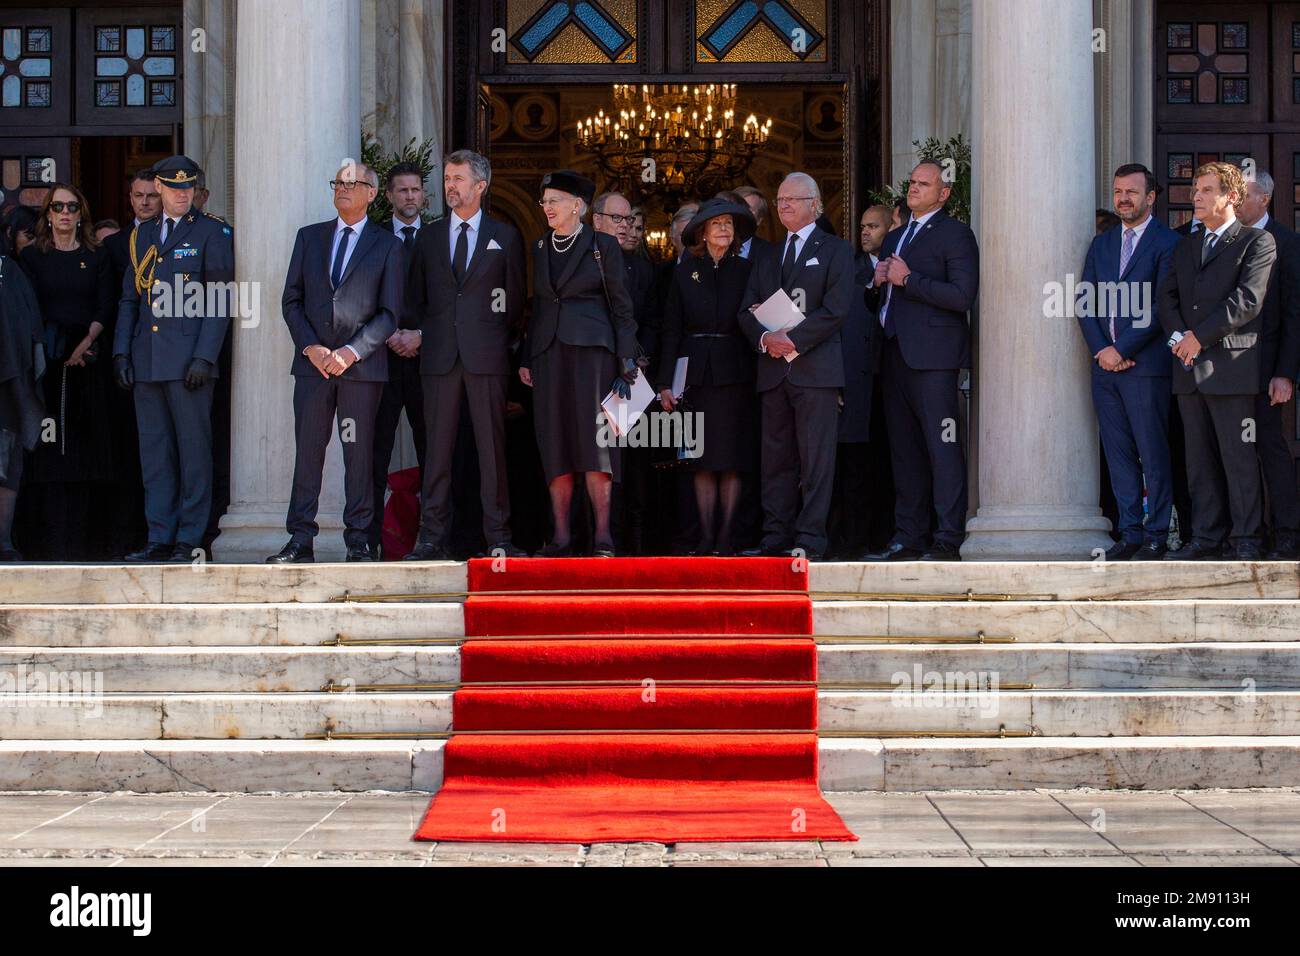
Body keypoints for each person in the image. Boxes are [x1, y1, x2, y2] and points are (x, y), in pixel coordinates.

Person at [270, 161, 402, 563]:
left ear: (371, 194)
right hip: (313, 368)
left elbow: (389, 314)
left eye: (352, 183)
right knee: (308, 452)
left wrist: (351, 352)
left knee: (358, 454)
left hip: (360, 372)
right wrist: (311, 347)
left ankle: (359, 540)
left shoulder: (388, 245)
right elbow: (291, 300)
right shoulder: (309, 238)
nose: (343, 189)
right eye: (338, 183)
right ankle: (300, 540)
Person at [404, 149, 527, 561]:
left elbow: (515, 303)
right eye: (447, 179)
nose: (450, 186)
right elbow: (415, 298)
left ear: (480, 185)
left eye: (458, 179)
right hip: (439, 359)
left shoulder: (505, 236)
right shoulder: (429, 236)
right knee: (436, 450)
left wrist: (492, 340)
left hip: (486, 359)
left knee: (492, 450)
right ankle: (430, 537)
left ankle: (499, 535)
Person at [113, 156, 234, 563]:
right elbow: (131, 300)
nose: (182, 194)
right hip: (147, 360)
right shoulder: (142, 235)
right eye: (173, 187)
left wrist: (204, 356)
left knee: (193, 453)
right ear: (159, 188)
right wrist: (121, 351)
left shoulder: (212, 232)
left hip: (189, 365)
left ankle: (189, 537)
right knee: (156, 455)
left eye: (188, 187)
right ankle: (159, 536)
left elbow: (220, 301)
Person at [1158, 162, 1276, 561]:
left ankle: (1246, 539)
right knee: (1199, 462)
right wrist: (1179, 338)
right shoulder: (1185, 245)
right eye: (1195, 189)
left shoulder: (1256, 243)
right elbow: (1167, 298)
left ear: (1231, 197)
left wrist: (1197, 338)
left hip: (1231, 371)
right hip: (1188, 371)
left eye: (1207, 190)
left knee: (1238, 459)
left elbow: (1246, 301)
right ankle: (1206, 538)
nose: (1197, 197)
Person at [865, 160, 980, 562]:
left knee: (942, 448)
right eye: (911, 182)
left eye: (923, 183)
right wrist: (877, 282)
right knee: (905, 451)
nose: (913, 188)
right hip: (894, 354)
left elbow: (962, 296)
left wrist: (909, 281)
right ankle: (907, 536)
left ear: (943, 193)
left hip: (934, 362)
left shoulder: (956, 234)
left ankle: (947, 536)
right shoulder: (895, 238)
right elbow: (884, 292)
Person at [519, 169, 637, 557]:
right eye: (544, 202)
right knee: (555, 443)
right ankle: (561, 537)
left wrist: (627, 363)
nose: (547, 208)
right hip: (549, 354)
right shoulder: (539, 246)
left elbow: (621, 306)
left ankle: (603, 536)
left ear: (577, 206)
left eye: (554, 201)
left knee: (596, 446)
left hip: (593, 355)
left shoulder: (603, 245)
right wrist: (526, 356)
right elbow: (536, 307)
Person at [737, 171, 855, 560]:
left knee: (816, 460)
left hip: (816, 372)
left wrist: (795, 339)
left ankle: (810, 540)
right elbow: (747, 308)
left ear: (814, 204)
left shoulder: (836, 249)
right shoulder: (768, 255)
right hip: (773, 372)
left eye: (791, 199)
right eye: (780, 199)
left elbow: (836, 310)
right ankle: (775, 537)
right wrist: (764, 337)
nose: (783, 205)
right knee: (776, 461)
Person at [1077, 164, 1179, 561]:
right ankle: (1130, 532)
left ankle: (1157, 534)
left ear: (1150, 197)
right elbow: (1085, 302)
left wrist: (1124, 349)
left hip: (1146, 367)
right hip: (1105, 370)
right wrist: (1102, 349)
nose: (1123, 198)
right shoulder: (1101, 244)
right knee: (1118, 453)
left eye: (1132, 192)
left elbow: (1161, 306)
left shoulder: (1168, 242)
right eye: (1118, 191)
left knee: (1153, 453)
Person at [18, 184, 117, 560]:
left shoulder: (97, 256)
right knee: (49, 450)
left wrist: (87, 341)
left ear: (81, 214)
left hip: (88, 360)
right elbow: (27, 308)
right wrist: (52, 346)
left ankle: (89, 542)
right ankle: (48, 542)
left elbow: (105, 304)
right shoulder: (33, 258)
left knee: (89, 448)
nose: (64, 213)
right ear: (47, 213)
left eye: (71, 207)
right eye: (57, 206)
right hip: (47, 359)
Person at [656, 198, 756, 555]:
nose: (724, 229)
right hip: (693, 376)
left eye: (729, 223)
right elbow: (671, 329)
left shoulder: (747, 271)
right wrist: (665, 383)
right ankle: (705, 537)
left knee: (730, 459)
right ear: (702, 231)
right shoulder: (684, 272)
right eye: (717, 224)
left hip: (735, 373)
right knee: (698, 460)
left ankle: (727, 539)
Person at [1237, 170, 1300, 559]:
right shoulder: (1228, 241)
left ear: (1265, 198)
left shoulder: (1289, 243)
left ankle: (1288, 531)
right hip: (1228, 373)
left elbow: (1295, 314)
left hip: (1267, 370)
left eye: (1242, 195)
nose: (1236, 202)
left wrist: (1285, 373)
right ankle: (1243, 534)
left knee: (1271, 448)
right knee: (1233, 452)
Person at [368, 161, 429, 557]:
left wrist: (421, 336)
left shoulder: (440, 238)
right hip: (382, 360)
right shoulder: (373, 239)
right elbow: (363, 296)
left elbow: (446, 301)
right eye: (402, 190)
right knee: (374, 451)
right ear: (388, 196)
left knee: (433, 451)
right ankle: (369, 540)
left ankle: (433, 538)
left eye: (415, 190)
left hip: (427, 363)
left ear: (424, 195)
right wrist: (388, 334)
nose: (409, 196)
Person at [102, 168, 162, 557]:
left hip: (166, 362)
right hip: (126, 362)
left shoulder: (176, 236)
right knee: (130, 455)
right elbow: (115, 304)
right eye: (137, 196)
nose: (143, 202)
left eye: (150, 196)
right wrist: (117, 352)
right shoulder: (116, 246)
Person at [829, 206, 888, 558]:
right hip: (854, 385)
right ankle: (850, 540)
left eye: (874, 226)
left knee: (888, 466)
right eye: (863, 226)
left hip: (891, 383)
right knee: (853, 467)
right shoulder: (849, 272)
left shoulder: (900, 265)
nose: (865, 232)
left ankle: (884, 536)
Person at [0, 250, 44, 561]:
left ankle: (3, 541)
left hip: (7, 383)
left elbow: (26, 323)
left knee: (6, 462)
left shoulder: (9, 271)